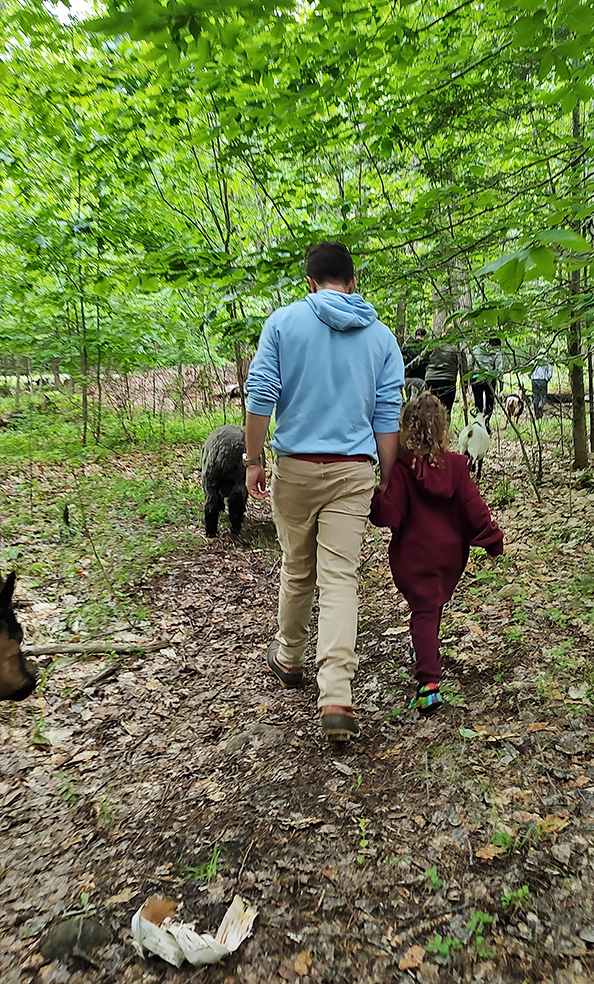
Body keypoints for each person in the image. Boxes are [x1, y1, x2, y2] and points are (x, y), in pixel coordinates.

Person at [244, 242, 404, 742]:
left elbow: (261, 395)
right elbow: (386, 415)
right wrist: (388, 475)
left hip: (294, 469)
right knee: (340, 579)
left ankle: (290, 658)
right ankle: (336, 692)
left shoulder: (283, 324)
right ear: (351, 282)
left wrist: (253, 459)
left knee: (297, 567)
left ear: (309, 282)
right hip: (352, 471)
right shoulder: (381, 338)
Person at [370, 393, 504, 715]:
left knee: (425, 613)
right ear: (443, 431)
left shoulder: (402, 470)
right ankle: (430, 661)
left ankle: (429, 684)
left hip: (414, 558)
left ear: (405, 432)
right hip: (447, 557)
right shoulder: (457, 468)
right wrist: (492, 539)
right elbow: (475, 509)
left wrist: (376, 495)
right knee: (431, 609)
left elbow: (389, 515)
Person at [471, 337, 503, 429]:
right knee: (490, 401)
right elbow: (499, 368)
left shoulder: (476, 348)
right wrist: (501, 382)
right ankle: (486, 421)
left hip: (476, 378)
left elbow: (470, 363)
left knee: (478, 401)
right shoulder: (496, 351)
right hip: (489, 379)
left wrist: (468, 376)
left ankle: (478, 421)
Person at [424, 342, 460, 416]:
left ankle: (430, 425)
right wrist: (465, 383)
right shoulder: (456, 348)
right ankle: (444, 426)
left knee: (431, 408)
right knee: (446, 410)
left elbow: (421, 358)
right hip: (448, 380)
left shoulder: (433, 345)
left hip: (431, 379)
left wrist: (407, 368)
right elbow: (463, 364)